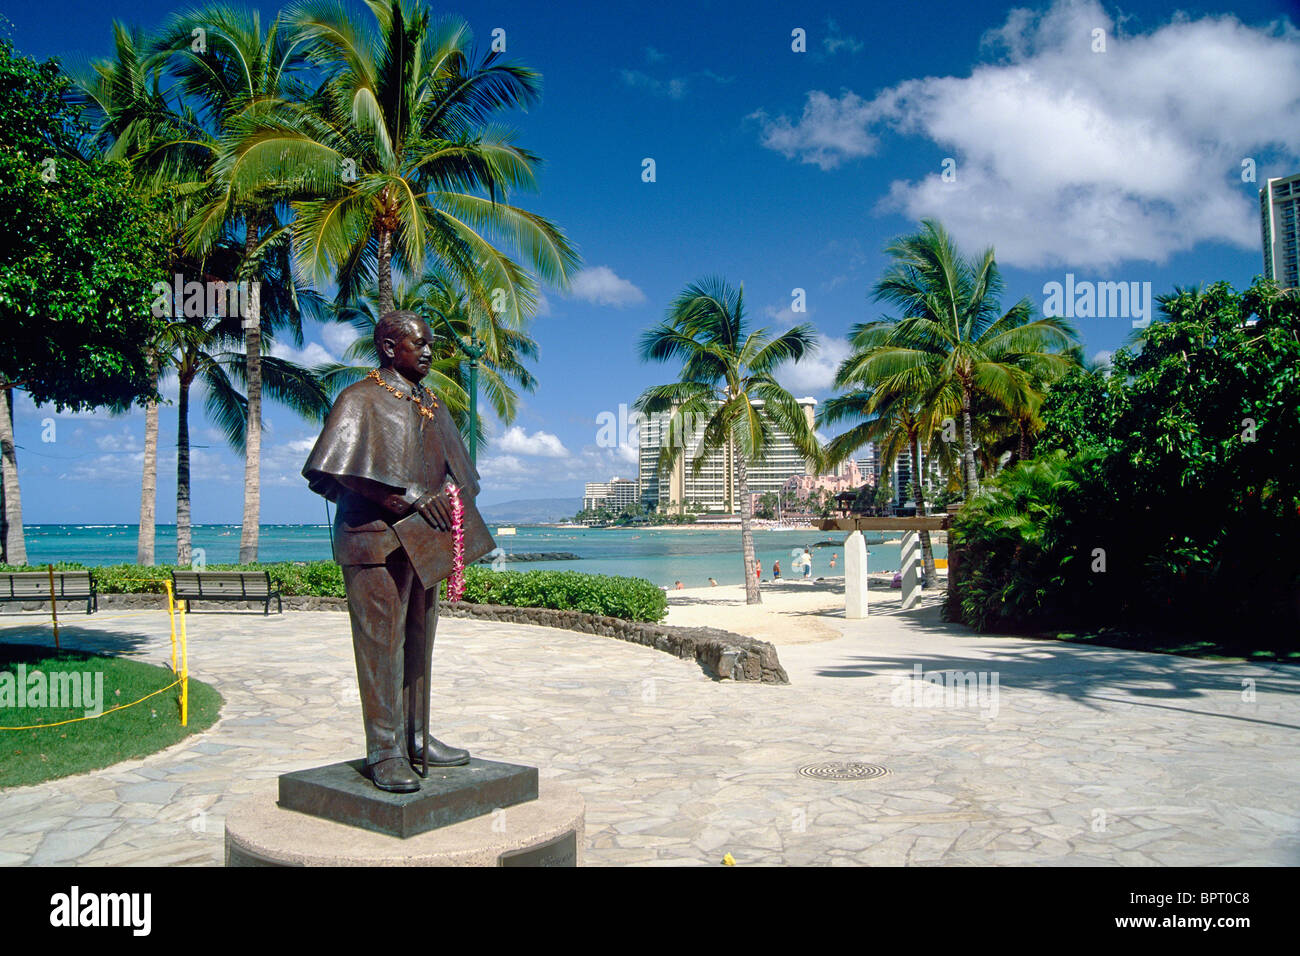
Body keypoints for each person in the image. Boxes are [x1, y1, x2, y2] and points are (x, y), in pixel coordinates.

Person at [303, 311, 494, 793]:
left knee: (418, 644)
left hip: (425, 543)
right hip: (374, 541)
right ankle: (385, 750)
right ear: (389, 348)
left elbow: (459, 474)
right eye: (419, 344)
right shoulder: (359, 399)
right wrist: (403, 498)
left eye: (430, 343)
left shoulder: (430, 402)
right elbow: (335, 470)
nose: (429, 351)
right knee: (381, 647)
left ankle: (415, 737)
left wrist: (450, 497)